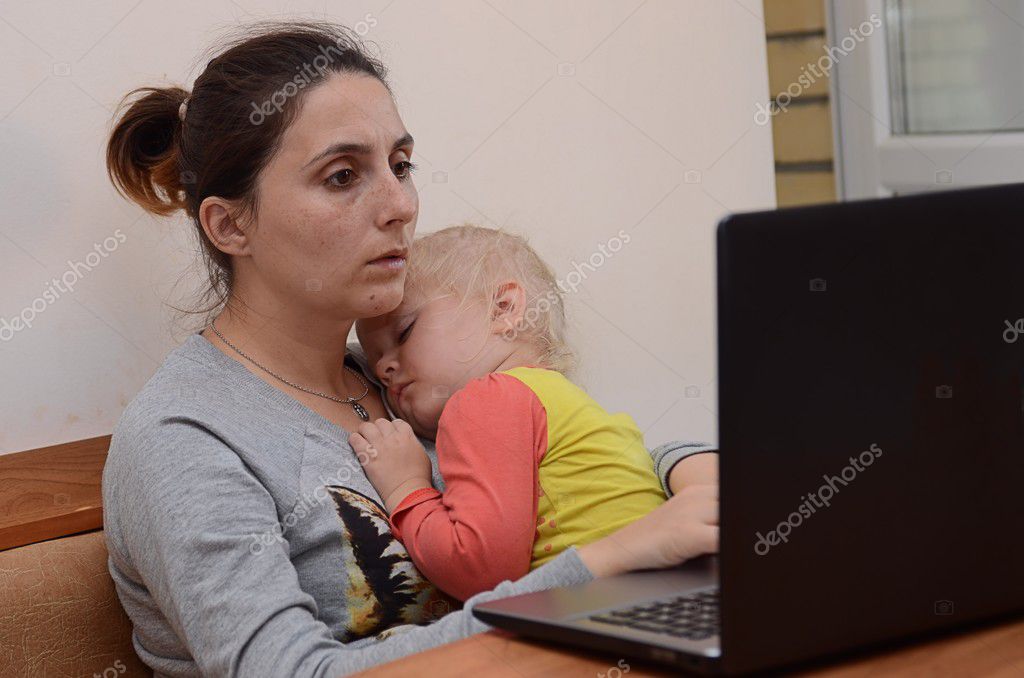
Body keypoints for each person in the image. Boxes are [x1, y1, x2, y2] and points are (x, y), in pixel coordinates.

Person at [102, 21, 719, 677]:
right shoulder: (183, 438)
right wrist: (600, 566)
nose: (399, 204)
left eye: (401, 165)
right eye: (343, 176)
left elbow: (580, 455)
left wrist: (692, 474)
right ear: (231, 225)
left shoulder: (402, 376)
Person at [352, 224, 668, 601]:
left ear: (503, 309)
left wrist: (406, 486)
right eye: (374, 364)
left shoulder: (486, 400)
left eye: (404, 332)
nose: (385, 367)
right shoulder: (557, 398)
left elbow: (479, 570)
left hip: (610, 610)